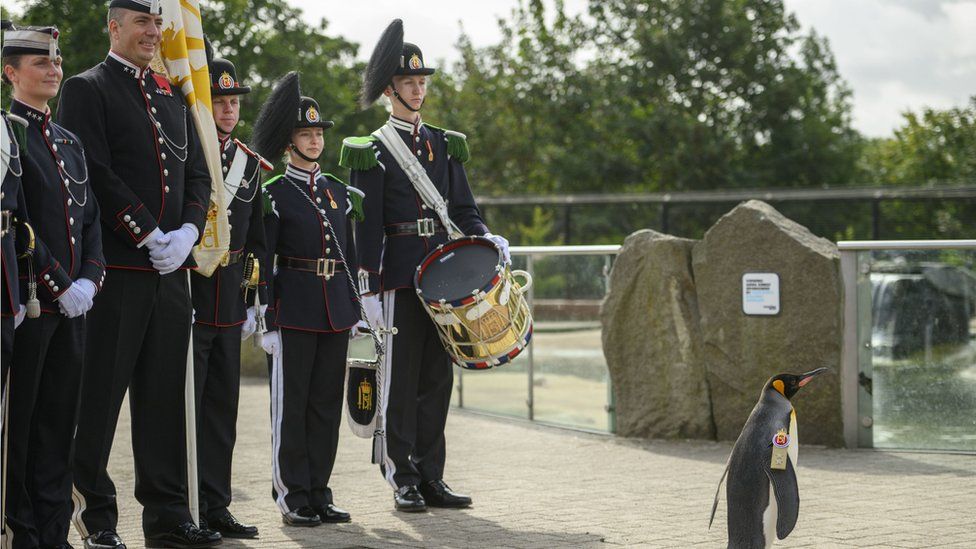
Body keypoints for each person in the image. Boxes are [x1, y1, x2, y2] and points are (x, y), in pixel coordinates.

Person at [55, 0, 217, 547]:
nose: (154, 32)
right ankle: (94, 519)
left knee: (165, 399)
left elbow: (198, 174)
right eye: (143, 22)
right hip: (120, 270)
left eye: (158, 22)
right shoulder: (88, 88)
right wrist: (148, 232)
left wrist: (190, 233)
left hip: (171, 274)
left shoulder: (171, 93)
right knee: (98, 401)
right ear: (115, 26)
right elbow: (92, 171)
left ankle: (168, 515)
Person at [340, 19, 511, 512]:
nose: (418, 90)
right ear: (389, 90)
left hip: (445, 279)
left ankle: (432, 475)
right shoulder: (370, 150)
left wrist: (484, 237)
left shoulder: (444, 143)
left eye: (422, 82)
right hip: (397, 278)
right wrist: (367, 290)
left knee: (438, 379)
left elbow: (463, 208)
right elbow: (365, 226)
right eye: (409, 83)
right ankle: (403, 476)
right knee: (401, 380)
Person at [2, 23, 106, 549]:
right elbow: (17, 220)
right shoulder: (8, 135)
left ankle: (52, 530)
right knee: (22, 427)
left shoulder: (68, 140)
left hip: (74, 306)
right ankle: (21, 532)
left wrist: (88, 279)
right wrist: (58, 282)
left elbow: (90, 221)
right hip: (35, 303)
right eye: (40, 63)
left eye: (57, 62)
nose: (53, 70)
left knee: (59, 426)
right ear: (10, 72)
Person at [251, 71, 362, 527]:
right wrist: (266, 320)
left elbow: (350, 258)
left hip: (335, 309)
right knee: (290, 408)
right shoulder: (273, 193)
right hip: (293, 310)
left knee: (323, 407)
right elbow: (262, 259)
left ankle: (320, 490)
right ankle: (292, 492)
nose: (315, 140)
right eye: (305, 133)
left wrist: (358, 310)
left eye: (318, 133)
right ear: (288, 140)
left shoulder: (338, 192)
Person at [190, 53, 269, 540]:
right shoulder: (192, 152)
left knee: (222, 411)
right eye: (219, 101)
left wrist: (256, 302)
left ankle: (216, 504)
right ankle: (186, 506)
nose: (227, 109)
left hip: (228, 301)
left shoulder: (250, 164)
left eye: (233, 101)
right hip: (192, 294)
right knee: (186, 408)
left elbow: (256, 236)